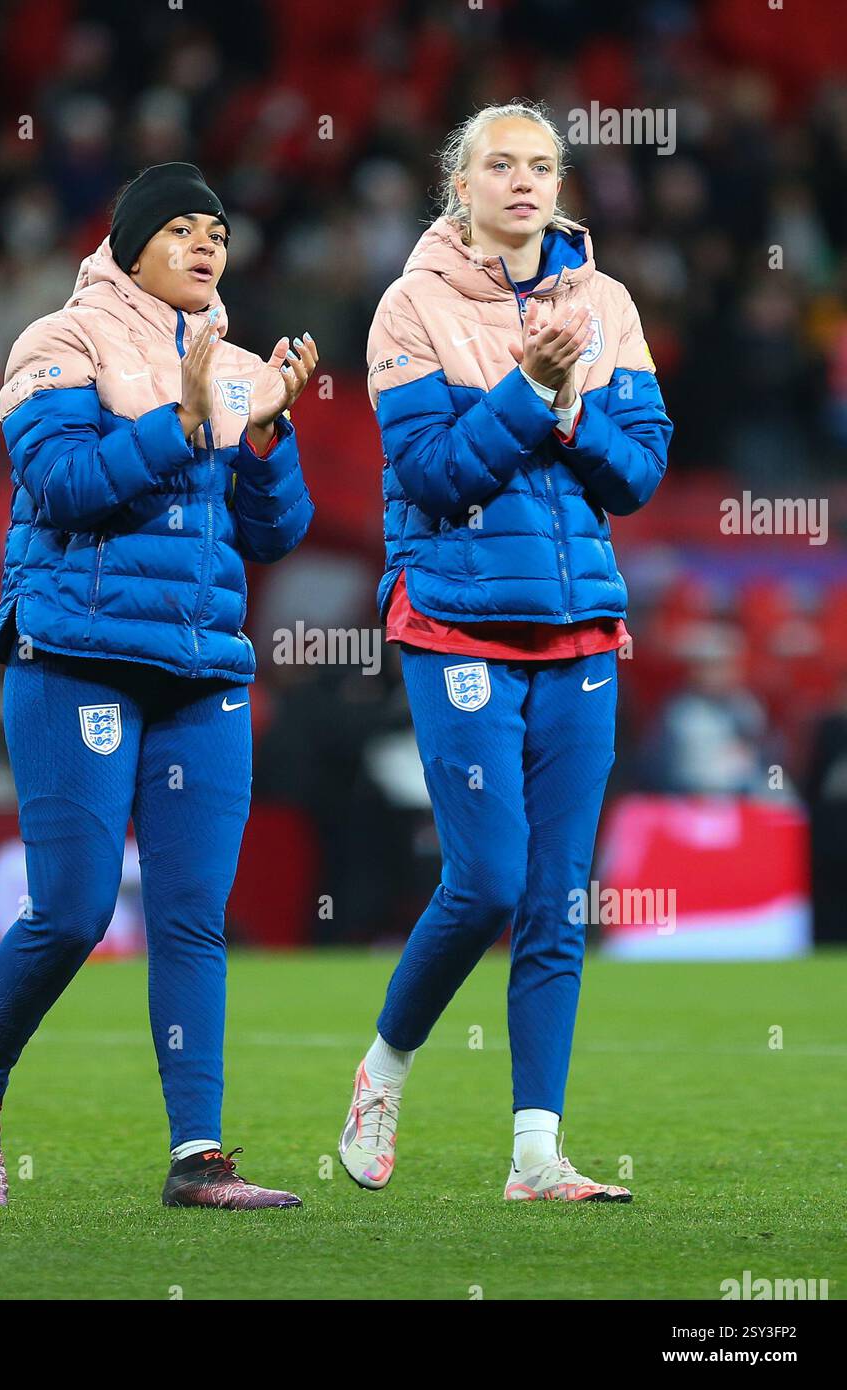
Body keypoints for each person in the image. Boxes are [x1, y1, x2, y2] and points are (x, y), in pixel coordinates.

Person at [0, 162, 316, 1210]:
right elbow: (61, 485)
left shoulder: (237, 365)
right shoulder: (57, 342)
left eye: (219, 233)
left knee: (193, 916)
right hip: (79, 657)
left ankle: (198, 1157)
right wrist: (180, 422)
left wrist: (268, 433)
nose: (207, 247)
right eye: (184, 230)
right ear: (133, 245)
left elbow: (274, 532)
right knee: (71, 913)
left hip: (201, 671)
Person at [339, 103, 672, 1200]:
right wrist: (530, 389)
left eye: (540, 164)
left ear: (559, 183)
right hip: (456, 619)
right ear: (460, 182)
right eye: (499, 164)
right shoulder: (410, 306)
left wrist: (568, 411)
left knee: (554, 900)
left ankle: (535, 1152)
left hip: (577, 624)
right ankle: (383, 1067)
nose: (522, 181)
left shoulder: (606, 303)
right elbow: (433, 474)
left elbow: (635, 472)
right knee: (484, 881)